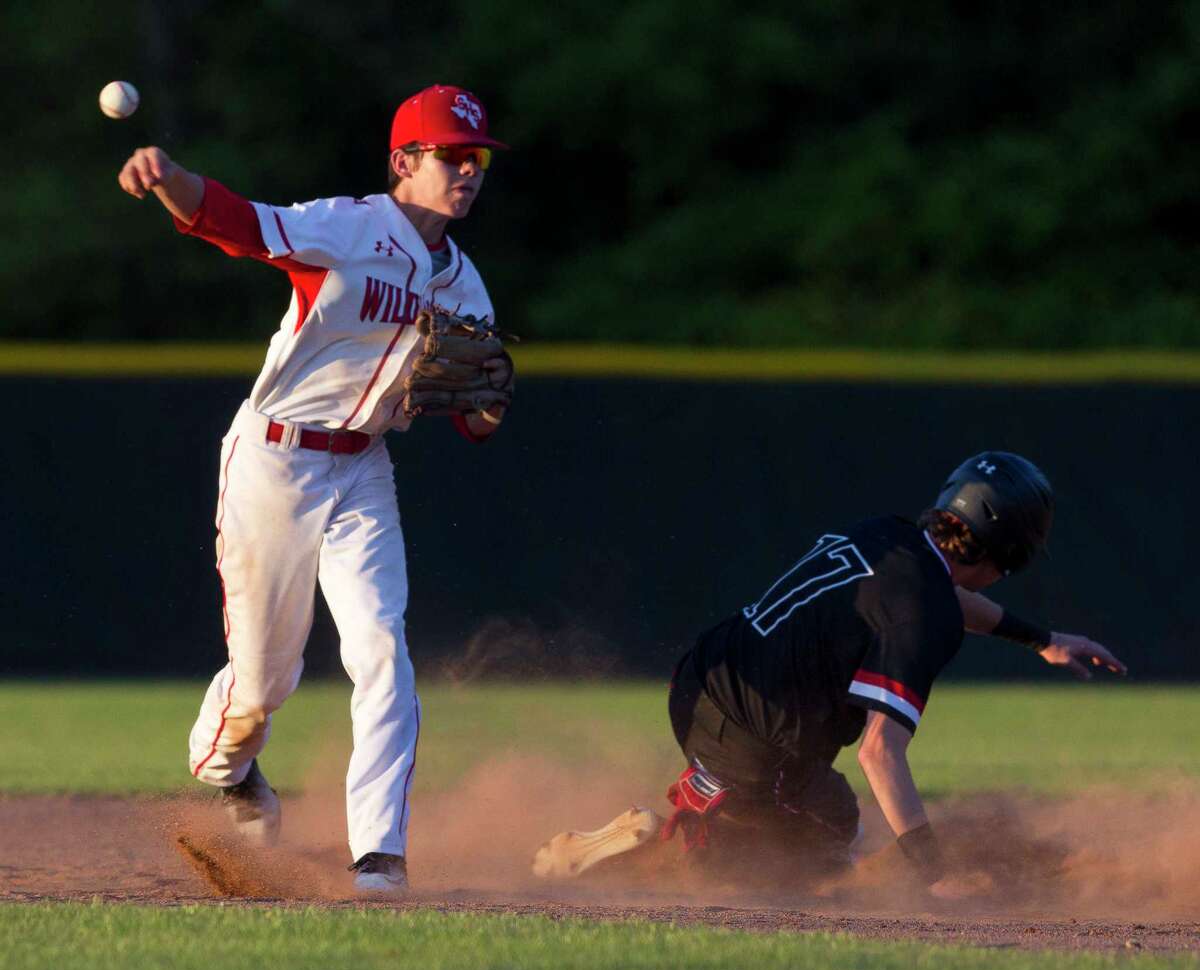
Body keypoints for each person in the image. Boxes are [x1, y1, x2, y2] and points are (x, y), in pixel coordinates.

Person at [117, 85, 511, 892]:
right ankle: (229, 771)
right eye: (451, 156)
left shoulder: (467, 288)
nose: (468, 171)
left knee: (381, 651)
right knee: (263, 681)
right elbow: (237, 223)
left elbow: (474, 423)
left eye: (476, 159)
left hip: (363, 467)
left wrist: (492, 402)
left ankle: (379, 857)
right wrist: (168, 178)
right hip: (275, 457)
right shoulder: (351, 226)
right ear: (404, 162)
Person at [534, 452, 1125, 896]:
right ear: (1007, 557)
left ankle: (715, 797)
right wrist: (932, 868)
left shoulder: (889, 534)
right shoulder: (927, 615)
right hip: (750, 742)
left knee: (821, 814)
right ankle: (679, 838)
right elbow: (879, 752)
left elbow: (936, 595)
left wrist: (1042, 640)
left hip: (698, 685)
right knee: (820, 846)